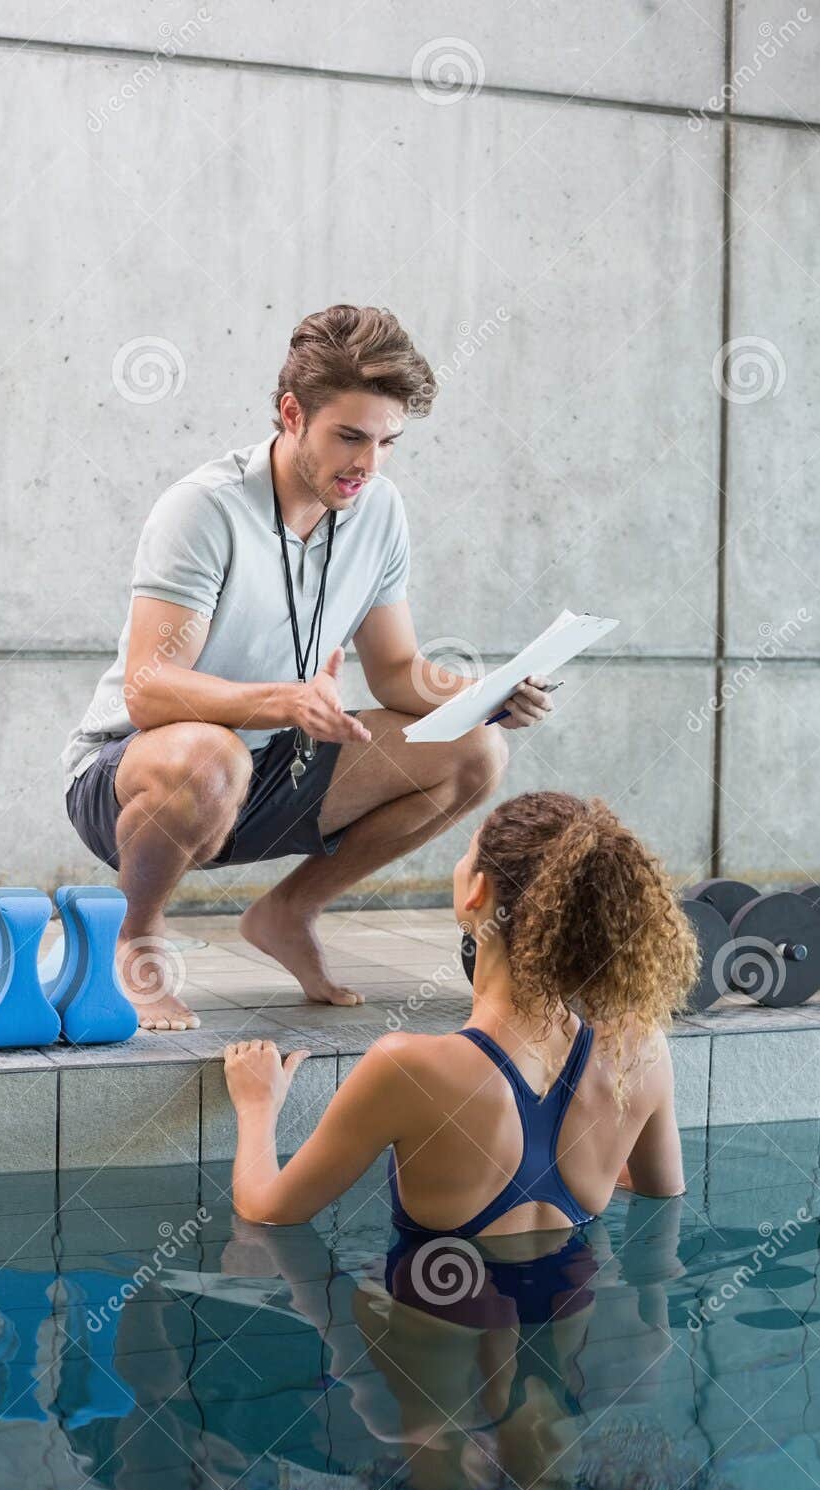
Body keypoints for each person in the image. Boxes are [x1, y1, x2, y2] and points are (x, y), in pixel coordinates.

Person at [62, 304, 557, 1030]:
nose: (367, 463)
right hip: (137, 775)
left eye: (387, 441)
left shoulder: (378, 508)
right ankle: (136, 942)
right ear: (291, 414)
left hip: (272, 772)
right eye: (349, 436)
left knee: (475, 751)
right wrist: (284, 701)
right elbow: (147, 691)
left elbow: (393, 671)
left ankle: (289, 912)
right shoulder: (204, 510)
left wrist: (483, 694)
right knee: (208, 753)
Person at [224, 791, 699, 1229]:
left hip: (430, 1317)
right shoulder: (640, 1047)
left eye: (466, 853)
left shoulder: (409, 1068)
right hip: (578, 1311)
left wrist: (257, 1106)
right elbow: (661, 1191)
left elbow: (268, 1210)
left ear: (478, 891)